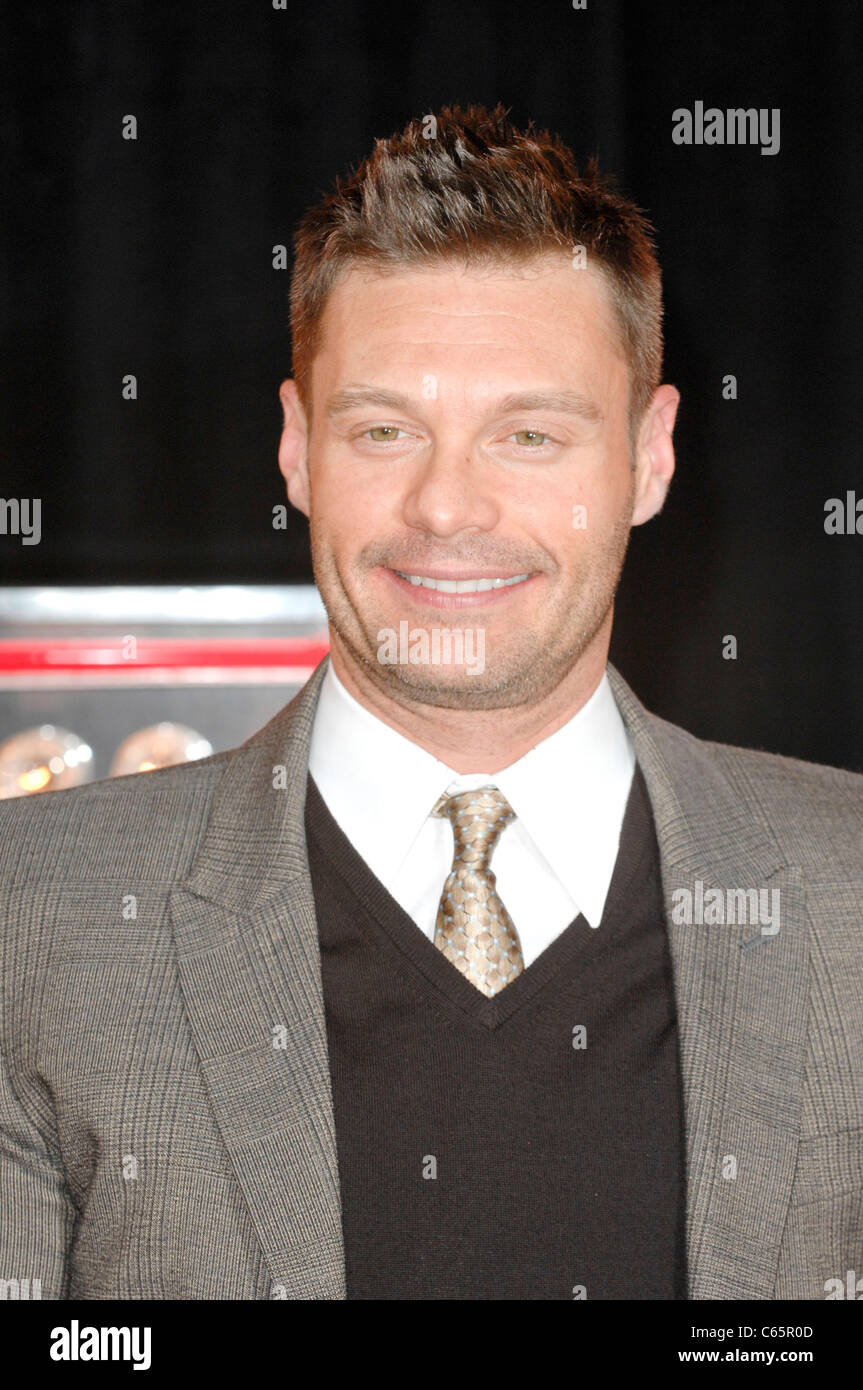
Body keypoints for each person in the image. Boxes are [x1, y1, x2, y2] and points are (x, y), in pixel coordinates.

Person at [1, 104, 861, 1302]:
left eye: (527, 433)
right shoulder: (29, 921)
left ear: (649, 455)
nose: (446, 507)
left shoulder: (848, 890)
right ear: (297, 449)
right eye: (384, 428)